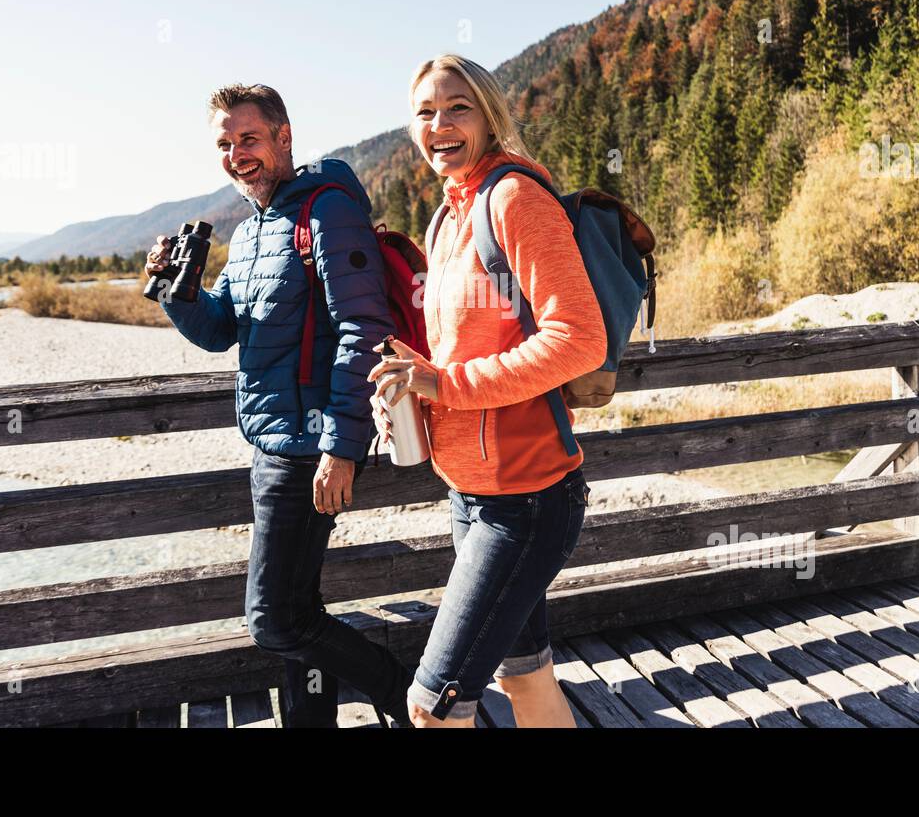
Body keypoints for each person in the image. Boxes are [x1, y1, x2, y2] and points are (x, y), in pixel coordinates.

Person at [148, 83, 414, 727]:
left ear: (283, 138)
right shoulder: (250, 233)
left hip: (309, 451)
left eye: (249, 139)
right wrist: (174, 291)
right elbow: (219, 331)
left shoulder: (326, 213)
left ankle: (403, 693)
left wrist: (341, 448)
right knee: (298, 611)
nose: (237, 154)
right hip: (271, 444)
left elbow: (363, 331)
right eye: (225, 144)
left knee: (272, 620)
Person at [368, 54, 606, 727]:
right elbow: (456, 353)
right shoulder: (446, 219)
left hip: (527, 501)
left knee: (431, 707)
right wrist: (410, 390)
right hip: (470, 494)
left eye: (457, 107)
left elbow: (578, 337)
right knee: (526, 680)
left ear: (490, 115)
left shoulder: (513, 199)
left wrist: (444, 382)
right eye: (425, 112)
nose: (439, 124)